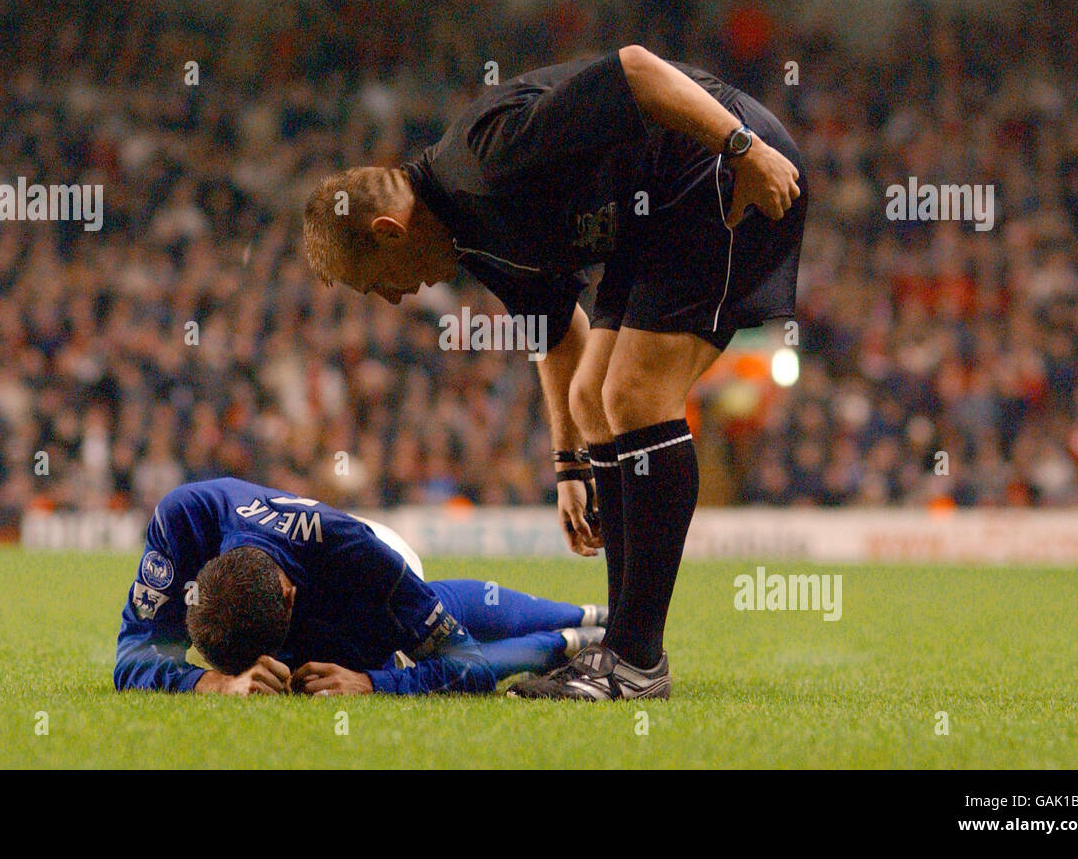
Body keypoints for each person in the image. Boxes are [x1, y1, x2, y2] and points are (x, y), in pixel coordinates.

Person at [302, 45, 805, 699]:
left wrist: (741, 149)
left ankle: (636, 661)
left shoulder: (491, 160)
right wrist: (569, 464)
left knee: (631, 393)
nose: (394, 299)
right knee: (596, 396)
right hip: (653, 218)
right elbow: (555, 332)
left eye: (377, 286)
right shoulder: (467, 230)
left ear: (390, 230)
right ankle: (617, 647)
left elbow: (636, 70)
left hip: (717, 167)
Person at [113, 477, 605, 696]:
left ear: (287, 601)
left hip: (361, 573)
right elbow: (132, 654)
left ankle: (564, 638)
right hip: (300, 572)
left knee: (427, 645)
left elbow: (468, 666)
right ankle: (584, 619)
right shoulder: (185, 519)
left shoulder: (359, 557)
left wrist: (373, 683)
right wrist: (211, 682)